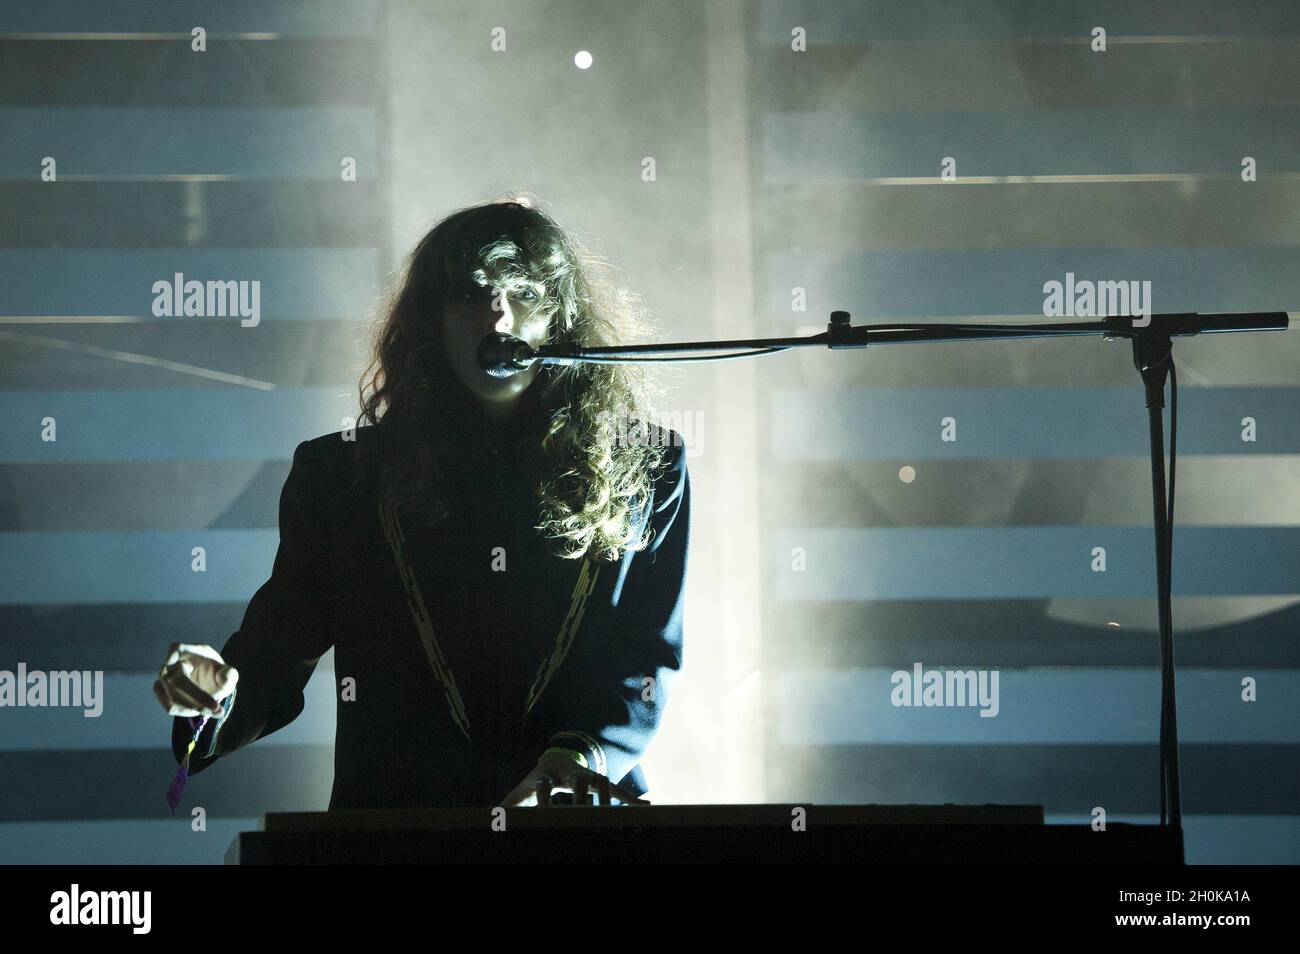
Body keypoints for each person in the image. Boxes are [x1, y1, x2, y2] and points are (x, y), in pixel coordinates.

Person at [153, 197, 691, 810]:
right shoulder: (342, 476)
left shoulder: (645, 465)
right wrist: (215, 695)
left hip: (575, 821)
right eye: (470, 293)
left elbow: (647, 654)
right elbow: (276, 647)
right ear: (430, 321)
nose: (499, 315)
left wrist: (572, 758)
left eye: (526, 293)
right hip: (398, 829)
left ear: (562, 321)